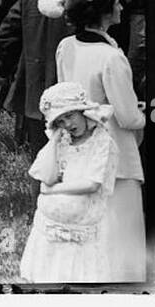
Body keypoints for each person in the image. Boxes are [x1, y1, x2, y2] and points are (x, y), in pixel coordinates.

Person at [50, 0, 146, 282]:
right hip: (115, 159)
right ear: (105, 13)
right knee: (121, 239)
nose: (120, 6)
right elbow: (129, 118)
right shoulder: (112, 57)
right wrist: (143, 114)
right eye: (116, 2)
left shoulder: (66, 47)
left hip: (80, 154)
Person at [0, 0, 97, 151]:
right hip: (75, 94)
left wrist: (4, 72)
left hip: (34, 89)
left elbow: (6, 33)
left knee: (41, 160)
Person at [19, 82, 123, 284]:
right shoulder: (63, 141)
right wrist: (54, 140)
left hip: (82, 232)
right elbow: (46, 178)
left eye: (70, 116)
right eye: (60, 121)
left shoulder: (102, 142)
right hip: (50, 230)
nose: (67, 124)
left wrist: (53, 190)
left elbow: (92, 184)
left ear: (83, 112)